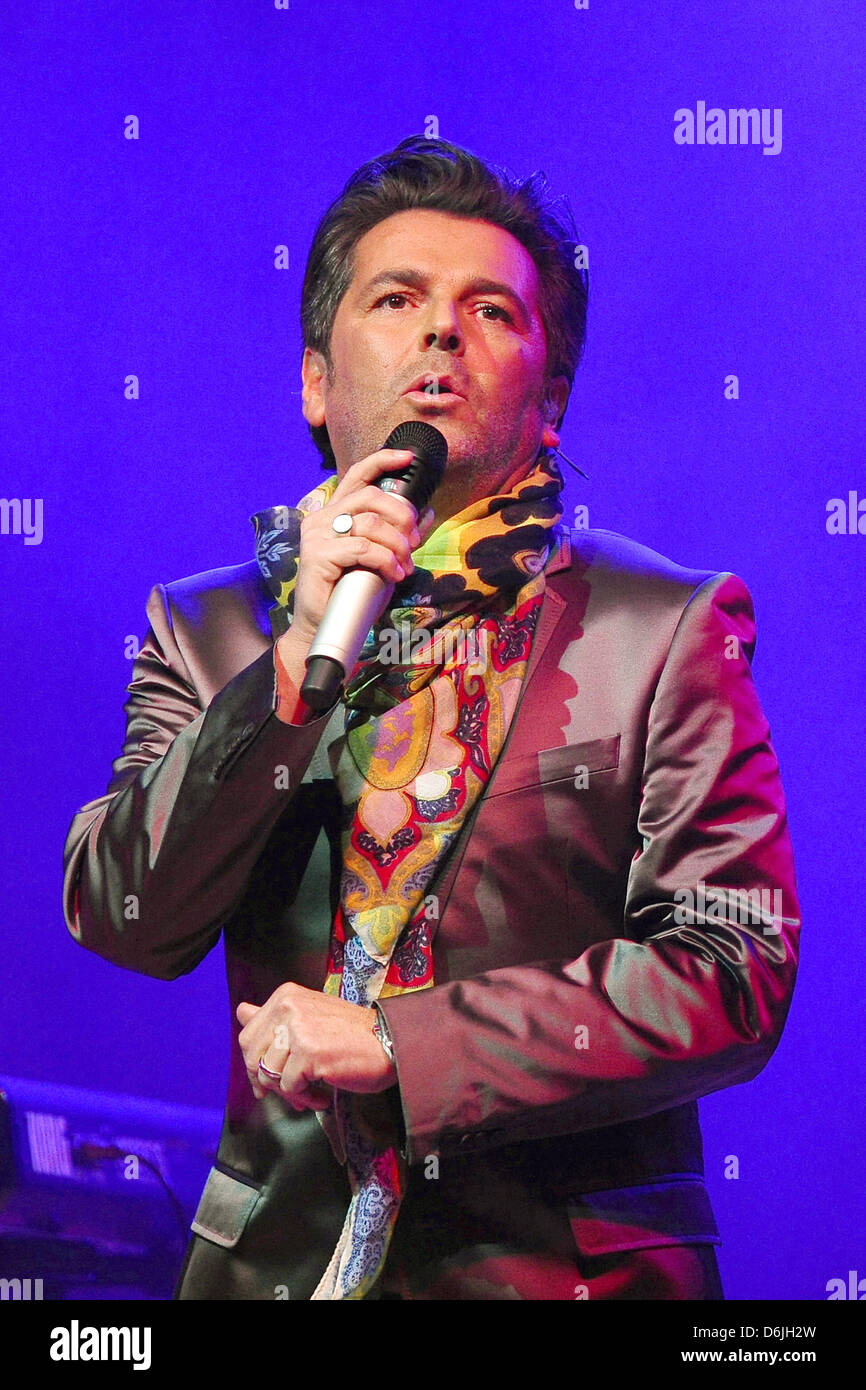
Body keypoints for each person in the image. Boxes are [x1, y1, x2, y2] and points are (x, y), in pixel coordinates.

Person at [62, 135, 800, 1301]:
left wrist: (404, 1045)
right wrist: (293, 666)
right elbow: (123, 916)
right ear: (316, 379)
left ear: (549, 397)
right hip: (272, 1273)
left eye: (490, 309)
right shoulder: (211, 628)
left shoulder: (661, 626)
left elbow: (728, 968)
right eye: (396, 298)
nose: (441, 330)